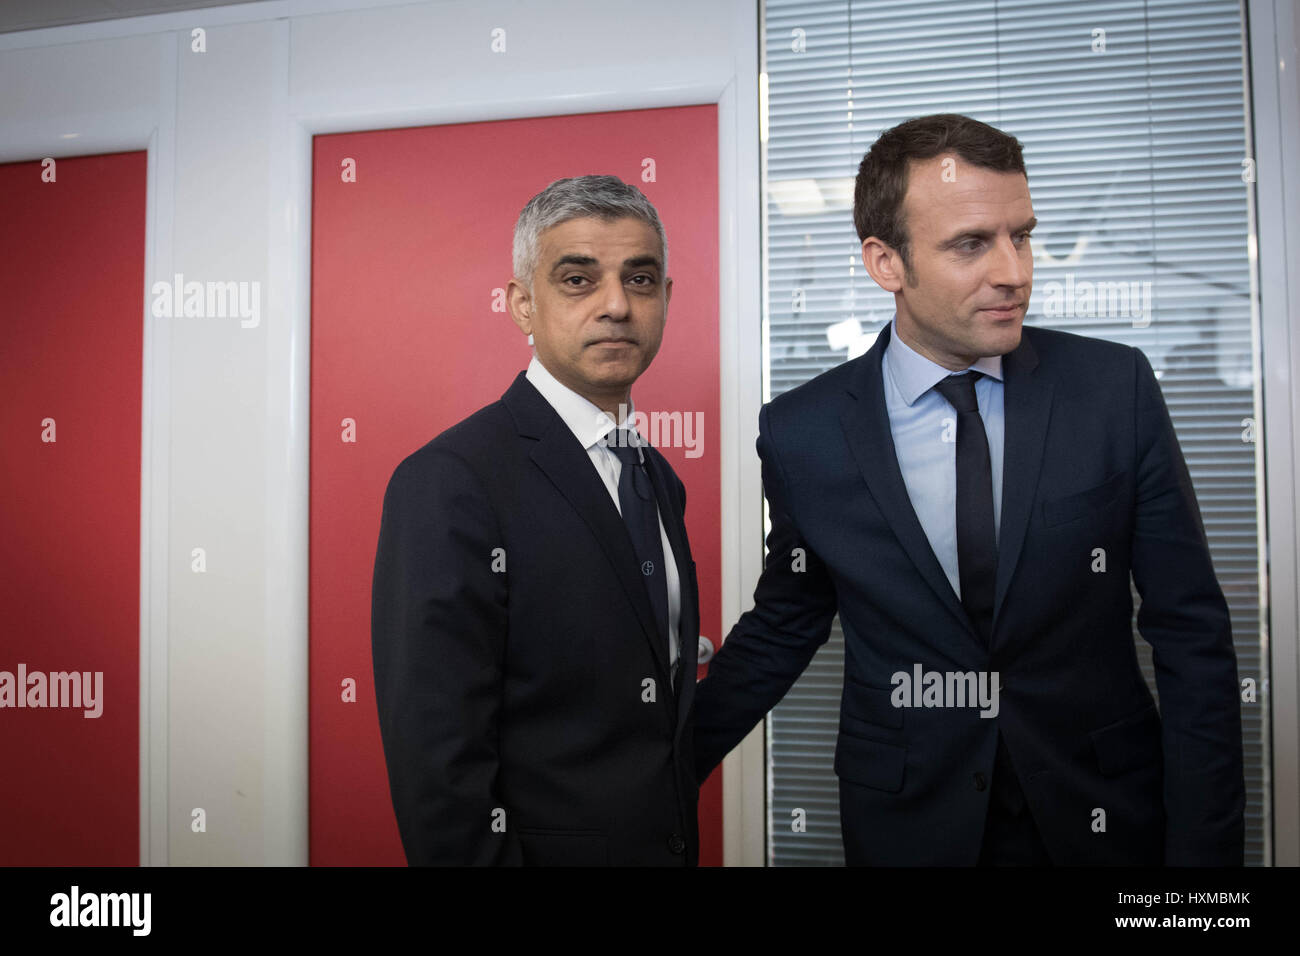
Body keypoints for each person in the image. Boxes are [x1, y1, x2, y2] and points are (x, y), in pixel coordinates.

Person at [694, 114, 1244, 865]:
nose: (1014, 271)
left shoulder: (1112, 391)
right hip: (910, 824)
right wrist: (658, 772)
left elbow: (1191, 633)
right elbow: (788, 622)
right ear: (886, 262)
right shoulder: (804, 432)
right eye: (971, 244)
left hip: (1101, 814)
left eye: (1021, 235)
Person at [372, 175, 700, 865]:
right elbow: (439, 767)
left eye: (640, 280)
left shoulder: (657, 478)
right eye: (578, 279)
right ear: (523, 304)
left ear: (666, 301)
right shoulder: (451, 481)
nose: (616, 305)